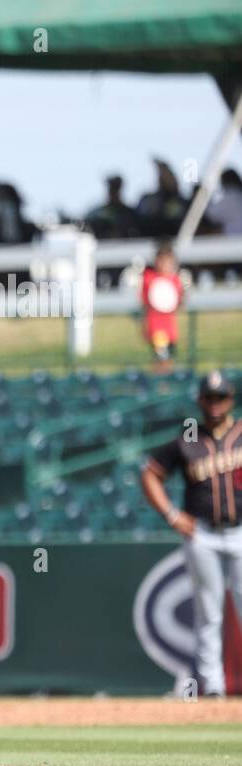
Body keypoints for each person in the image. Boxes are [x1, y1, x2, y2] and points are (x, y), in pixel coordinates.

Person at [140, 371, 241, 698]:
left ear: (231, 399)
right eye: (209, 397)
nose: (214, 404)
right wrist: (171, 514)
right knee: (208, 613)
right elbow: (150, 474)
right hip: (203, 534)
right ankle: (211, 688)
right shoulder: (188, 439)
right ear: (199, 400)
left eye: (220, 397)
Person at [141, 244, 183, 373]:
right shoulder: (149, 278)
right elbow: (144, 301)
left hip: (170, 330)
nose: (165, 265)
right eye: (162, 261)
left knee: (169, 360)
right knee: (161, 361)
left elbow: (178, 301)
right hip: (157, 330)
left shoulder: (175, 280)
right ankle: (160, 387)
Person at [136, 159, 190, 237]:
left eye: (167, 175)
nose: (164, 179)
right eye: (161, 175)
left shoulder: (182, 202)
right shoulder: (148, 200)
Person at [84, 175, 141, 240]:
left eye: (115, 188)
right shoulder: (97, 214)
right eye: (112, 188)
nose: (113, 192)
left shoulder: (130, 213)